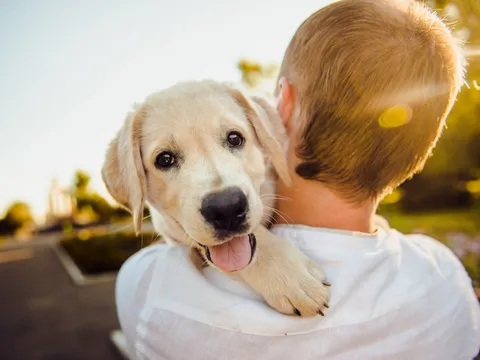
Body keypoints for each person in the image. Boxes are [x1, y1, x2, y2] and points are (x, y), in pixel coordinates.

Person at [115, 0, 480, 359]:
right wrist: (261, 253)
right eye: (166, 159)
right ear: (418, 150)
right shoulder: (445, 278)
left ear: (282, 106)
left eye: (234, 139)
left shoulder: (151, 291)